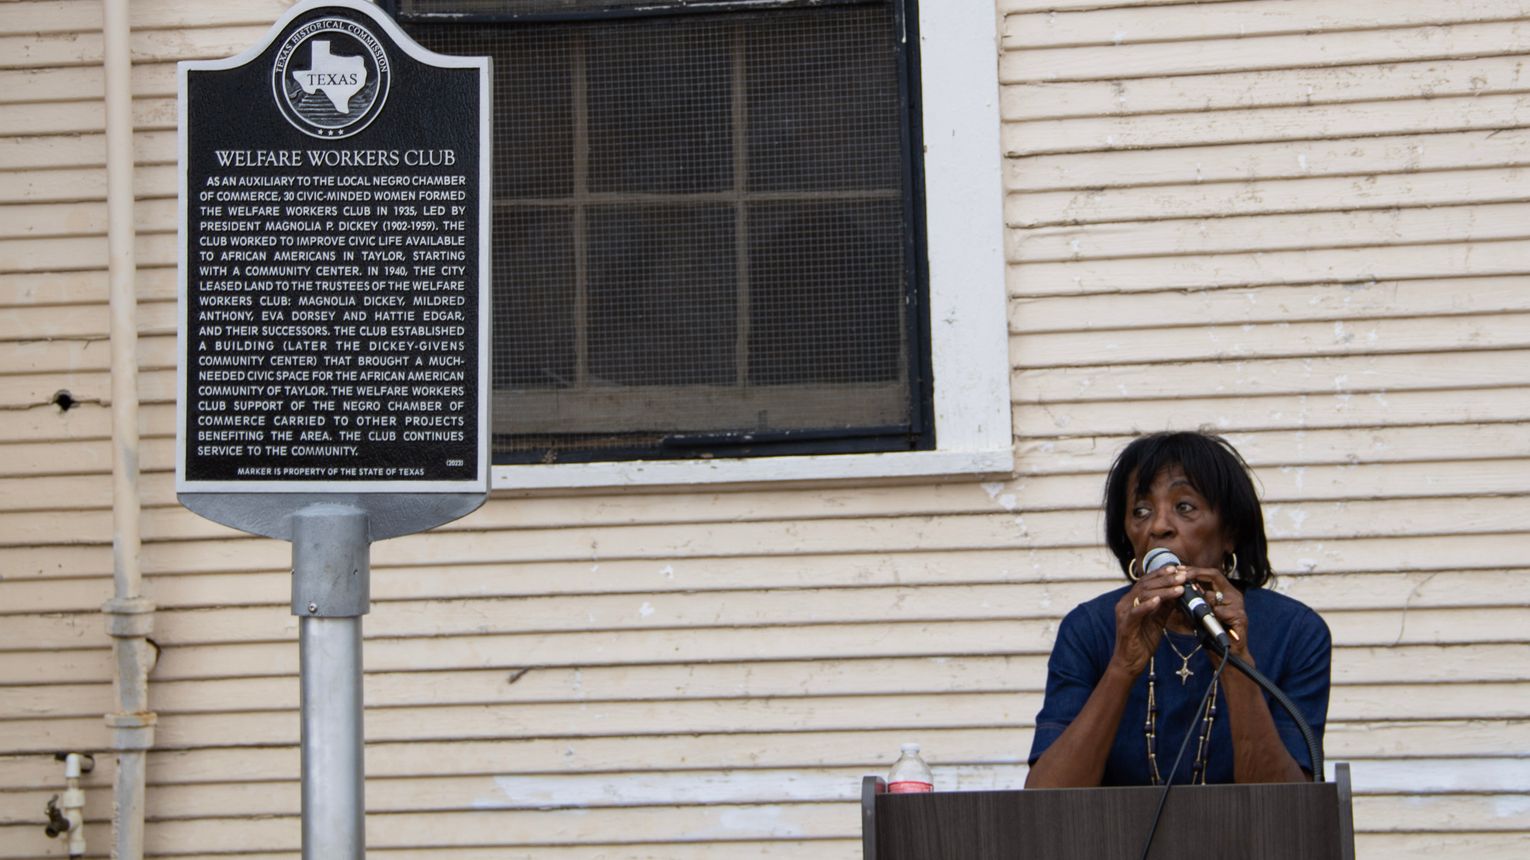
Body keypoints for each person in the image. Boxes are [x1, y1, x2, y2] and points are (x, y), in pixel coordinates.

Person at [1025, 431, 1330, 787]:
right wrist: (1122, 667)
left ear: (1229, 531)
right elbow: (1045, 799)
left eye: (1184, 507)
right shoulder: (1090, 628)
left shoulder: (1295, 631)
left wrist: (1236, 663)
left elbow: (1288, 811)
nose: (1158, 526)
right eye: (1141, 511)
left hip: (1247, 841)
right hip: (1117, 841)